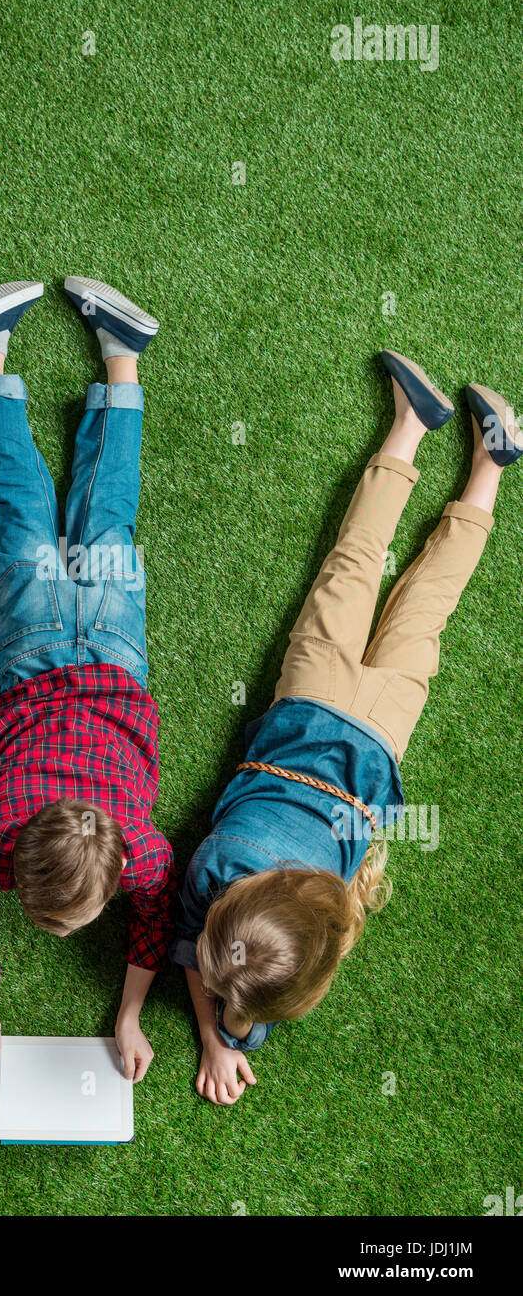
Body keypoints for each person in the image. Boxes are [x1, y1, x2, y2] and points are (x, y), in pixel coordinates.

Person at [170, 350, 522, 1105]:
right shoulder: (216, 864)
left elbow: (243, 1000)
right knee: (354, 565)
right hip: (312, 697)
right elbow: (202, 958)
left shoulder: (335, 906)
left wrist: (228, 1032)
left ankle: (489, 467)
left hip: (384, 731)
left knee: (429, 599)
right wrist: (221, 1028)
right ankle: (410, 427)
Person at [0, 277, 176, 1084]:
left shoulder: (140, 849)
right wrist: (124, 1012)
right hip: (34, 650)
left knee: (106, 513)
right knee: (21, 509)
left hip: (111, 652)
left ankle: (122, 359)